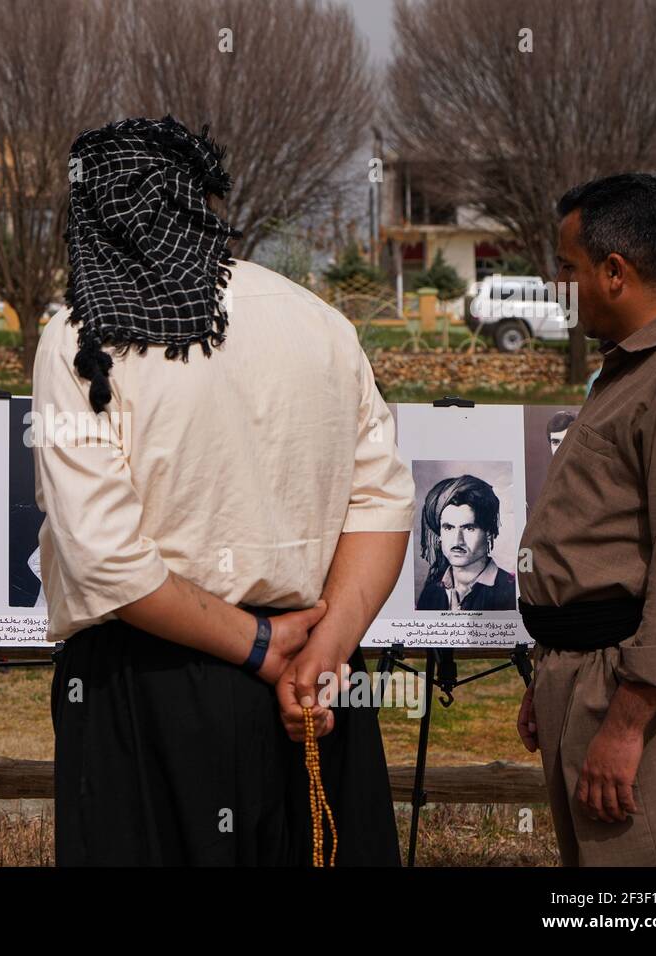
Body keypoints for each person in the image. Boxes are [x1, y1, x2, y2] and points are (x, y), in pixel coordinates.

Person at [34, 116, 415, 866]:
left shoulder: (81, 340)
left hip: (152, 687)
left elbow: (107, 562)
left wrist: (276, 652)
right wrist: (324, 651)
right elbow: (382, 504)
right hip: (314, 679)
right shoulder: (320, 322)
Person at [517, 172, 656, 866]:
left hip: (637, 699)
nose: (556, 284)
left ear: (613, 271)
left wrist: (628, 723)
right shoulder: (632, 370)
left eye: (566, 268)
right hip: (586, 681)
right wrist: (553, 676)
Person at [415, 474, 516, 611]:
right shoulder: (430, 594)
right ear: (440, 535)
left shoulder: (512, 591)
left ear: (489, 533)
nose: (457, 540)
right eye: (448, 528)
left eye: (469, 528)